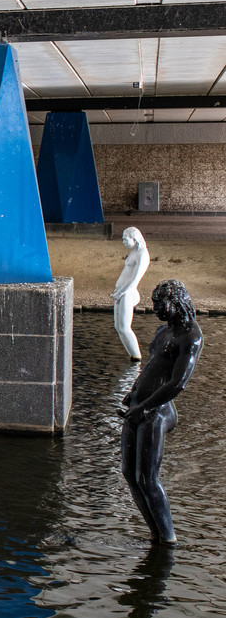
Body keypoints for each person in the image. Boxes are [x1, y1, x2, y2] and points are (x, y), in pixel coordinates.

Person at [120, 279, 202, 545]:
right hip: (139, 406)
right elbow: (150, 367)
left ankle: (168, 538)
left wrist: (144, 407)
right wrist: (133, 392)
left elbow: (177, 382)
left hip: (157, 410)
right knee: (129, 472)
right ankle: (155, 533)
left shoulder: (191, 337)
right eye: (154, 303)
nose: (155, 309)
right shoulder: (162, 331)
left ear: (176, 303)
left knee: (147, 477)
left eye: (160, 304)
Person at [113, 227, 150, 360]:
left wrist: (121, 292)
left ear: (134, 239)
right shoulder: (134, 252)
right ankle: (132, 356)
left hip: (128, 293)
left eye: (125, 239)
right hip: (121, 292)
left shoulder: (142, 254)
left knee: (124, 327)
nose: (123, 241)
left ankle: (137, 358)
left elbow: (135, 278)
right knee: (118, 327)